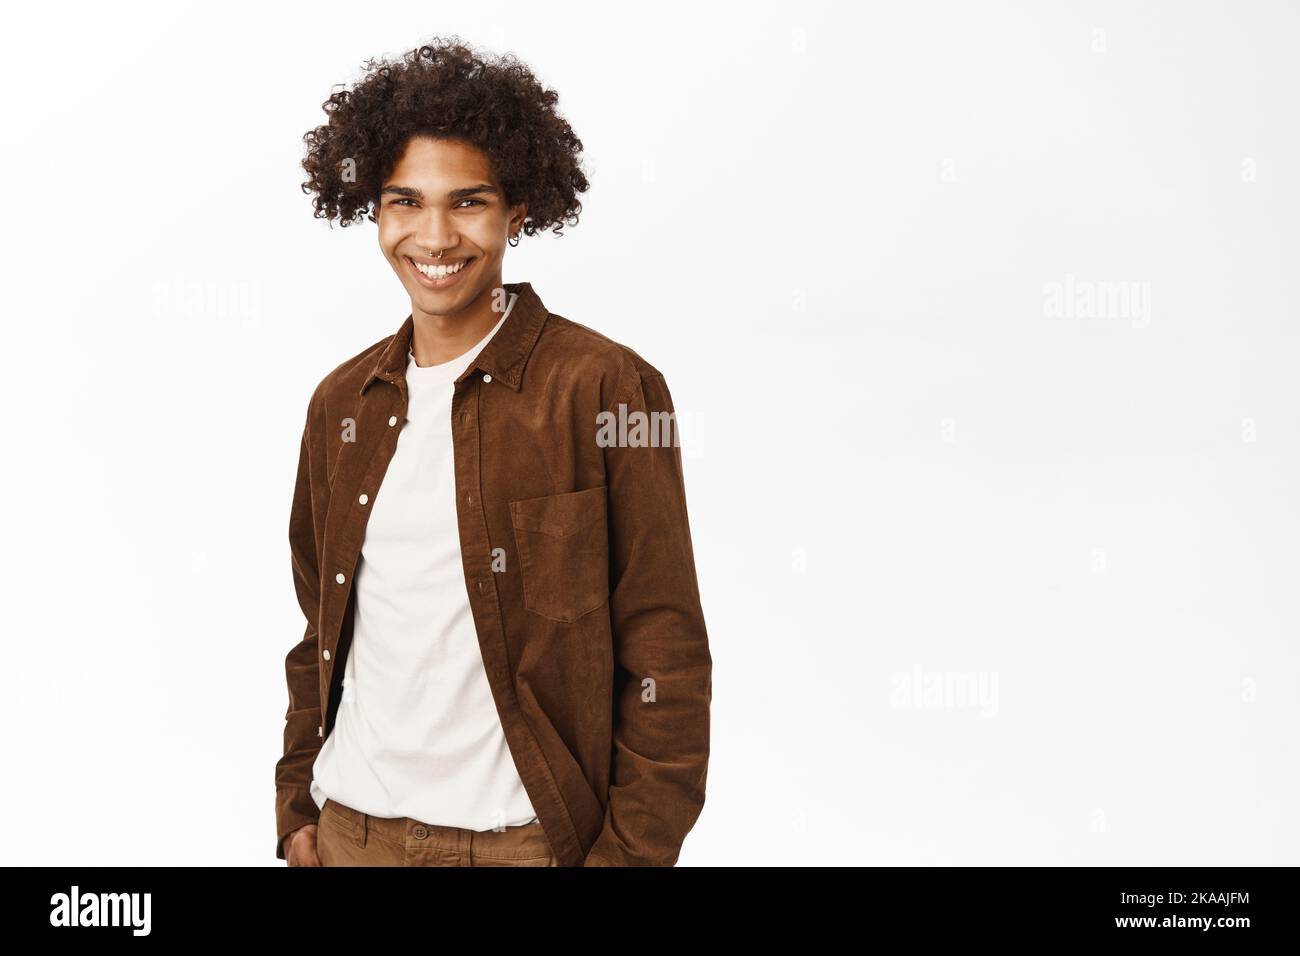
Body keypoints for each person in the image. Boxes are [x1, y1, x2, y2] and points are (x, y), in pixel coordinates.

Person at [274, 37, 712, 867]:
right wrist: (297, 807)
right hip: (349, 834)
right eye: (405, 201)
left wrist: (629, 854)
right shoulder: (343, 405)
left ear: (517, 212)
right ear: (374, 210)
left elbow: (667, 651)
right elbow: (317, 630)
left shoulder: (608, 388)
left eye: (468, 202)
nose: (434, 236)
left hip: (526, 846)